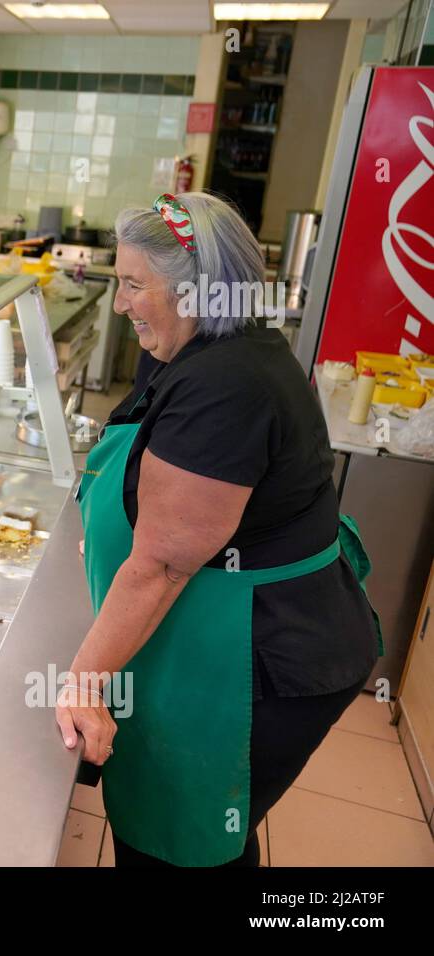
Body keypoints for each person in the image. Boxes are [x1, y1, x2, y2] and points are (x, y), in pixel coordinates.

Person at [58, 191, 381, 867]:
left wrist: (84, 682)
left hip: (258, 658)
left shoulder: (228, 386)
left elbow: (165, 565)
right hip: (231, 633)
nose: (120, 304)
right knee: (208, 830)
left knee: (186, 837)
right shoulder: (212, 344)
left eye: (133, 285)